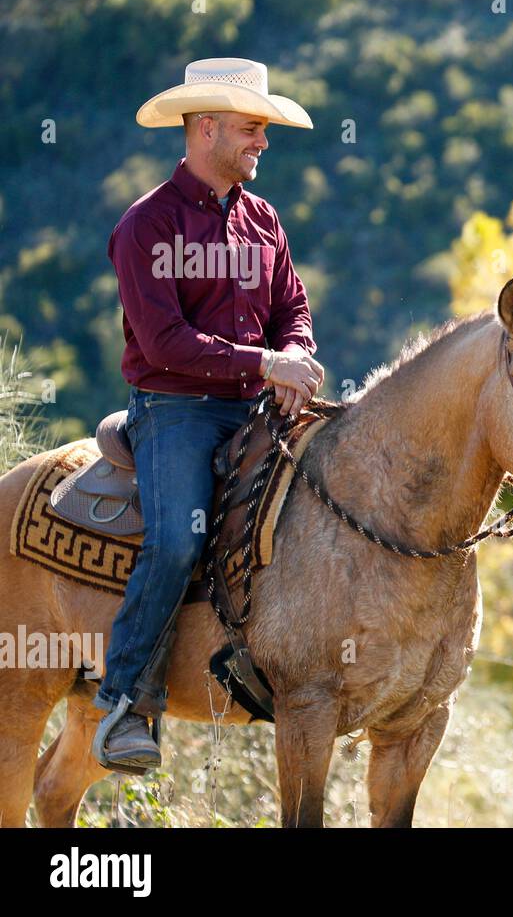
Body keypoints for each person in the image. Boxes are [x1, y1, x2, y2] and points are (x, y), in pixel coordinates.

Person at [91, 58, 325, 772]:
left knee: (333, 507)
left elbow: (293, 310)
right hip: (176, 409)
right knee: (175, 542)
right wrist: (264, 364)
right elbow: (165, 343)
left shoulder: (264, 219)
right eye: (254, 129)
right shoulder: (145, 225)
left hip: (257, 406)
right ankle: (126, 703)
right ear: (207, 128)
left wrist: (294, 355)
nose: (264, 142)